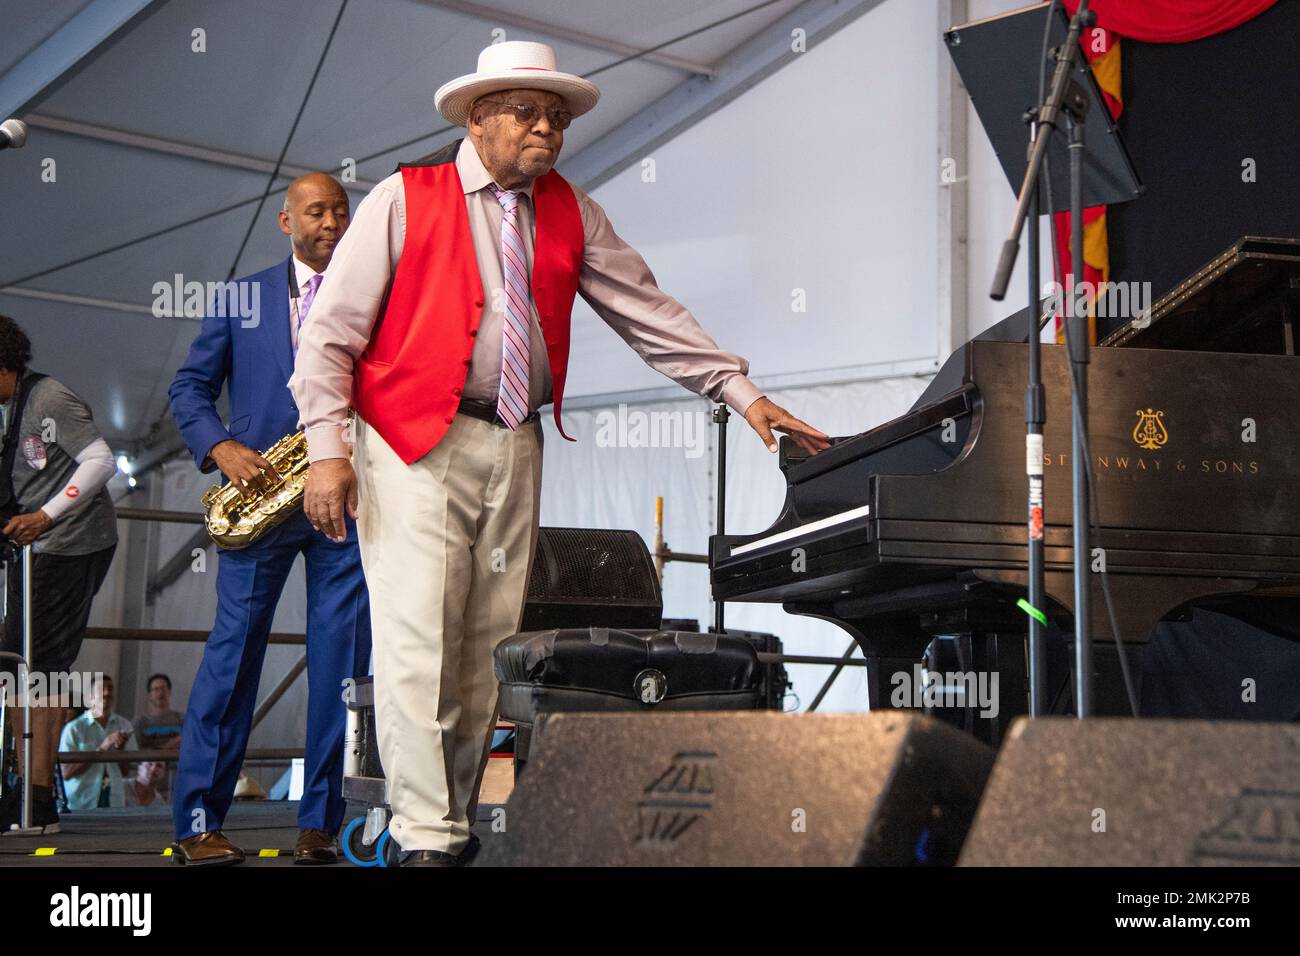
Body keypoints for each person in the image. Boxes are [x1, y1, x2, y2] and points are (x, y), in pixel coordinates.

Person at [291, 41, 829, 866]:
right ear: (478, 118)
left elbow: (649, 312)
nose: (548, 128)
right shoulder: (405, 197)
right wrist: (328, 448)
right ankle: (423, 835)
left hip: (515, 439)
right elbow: (329, 335)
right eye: (527, 112)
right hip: (408, 443)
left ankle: (453, 824)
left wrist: (739, 391)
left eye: (559, 117)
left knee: (487, 653)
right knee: (416, 644)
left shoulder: (573, 211)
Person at [167, 173, 372, 866]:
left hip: (344, 497)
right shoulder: (241, 296)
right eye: (317, 212)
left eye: (340, 211)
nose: (332, 223)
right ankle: (199, 819)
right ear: (286, 221)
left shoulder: (375, 289)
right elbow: (189, 386)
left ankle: (324, 824)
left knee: (344, 670)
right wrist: (221, 445)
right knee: (231, 660)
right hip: (261, 500)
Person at [0, 314, 118, 834]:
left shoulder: (47, 399)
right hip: (34, 545)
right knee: (18, 663)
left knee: (37, 665)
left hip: (69, 542)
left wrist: (46, 515)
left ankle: (36, 797)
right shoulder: (7, 408)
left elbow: (101, 460)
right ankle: (25, 788)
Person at [59, 674, 137, 810]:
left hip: (114, 801)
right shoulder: (74, 728)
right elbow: (66, 772)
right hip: (81, 802)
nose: (107, 693)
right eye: (102, 689)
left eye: (111, 689)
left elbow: (126, 771)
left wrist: (120, 750)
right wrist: (101, 749)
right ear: (90, 697)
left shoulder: (124, 725)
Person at [132, 673, 183, 751]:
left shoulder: (182, 720)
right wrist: (168, 746)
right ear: (150, 695)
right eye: (156, 689)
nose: (160, 693)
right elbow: (135, 752)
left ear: (169, 692)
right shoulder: (140, 722)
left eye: (163, 688)